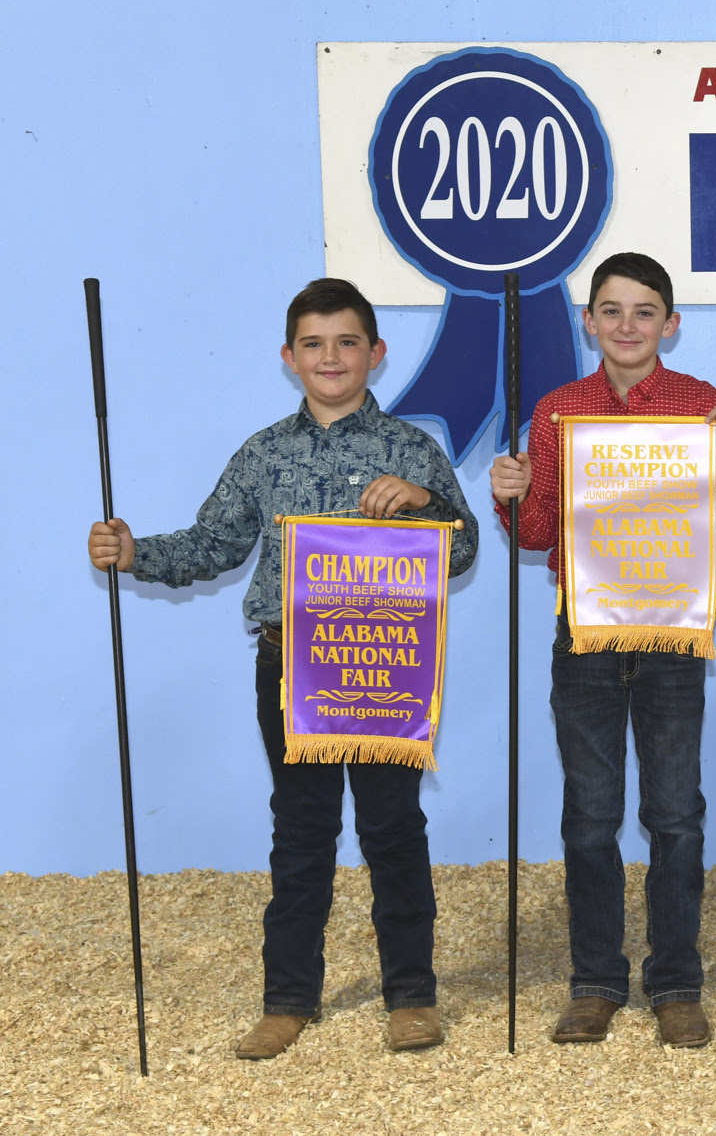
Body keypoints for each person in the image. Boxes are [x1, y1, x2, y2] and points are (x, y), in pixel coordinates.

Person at [85, 278, 477, 1059]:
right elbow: (213, 545)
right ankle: (288, 999)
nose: (330, 357)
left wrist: (427, 504)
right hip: (289, 665)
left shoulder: (410, 450)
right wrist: (135, 553)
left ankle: (412, 996)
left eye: (346, 342)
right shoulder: (263, 452)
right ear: (288, 357)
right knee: (301, 834)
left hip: (381, 668)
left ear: (375, 353)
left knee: (392, 829)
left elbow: (460, 547)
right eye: (313, 343)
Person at [489, 252, 716, 1049]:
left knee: (675, 815)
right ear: (589, 321)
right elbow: (539, 537)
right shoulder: (556, 411)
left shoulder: (702, 405)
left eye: (644, 312)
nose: (627, 325)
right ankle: (596, 981)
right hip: (586, 631)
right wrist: (512, 496)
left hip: (672, 634)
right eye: (610, 310)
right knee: (590, 816)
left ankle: (676, 981)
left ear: (669, 324)